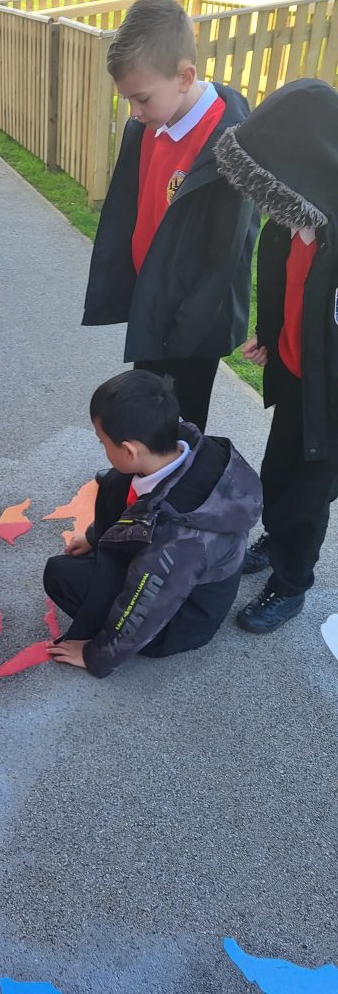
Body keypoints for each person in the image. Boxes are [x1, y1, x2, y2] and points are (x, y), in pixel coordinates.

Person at [82, 0, 259, 433]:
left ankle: (175, 493)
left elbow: (226, 255)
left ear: (185, 77)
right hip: (153, 298)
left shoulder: (231, 146)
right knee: (148, 414)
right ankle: (149, 480)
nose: (134, 112)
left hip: (194, 322)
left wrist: (180, 333)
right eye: (127, 100)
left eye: (141, 98)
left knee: (181, 422)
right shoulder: (146, 126)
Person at [213, 79, 338, 634]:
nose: (265, 198)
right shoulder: (289, 226)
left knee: (308, 497)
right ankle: (276, 535)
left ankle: (291, 583)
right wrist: (269, 332)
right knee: (278, 473)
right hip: (295, 374)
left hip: (330, 398)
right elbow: (284, 288)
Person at [44, 370, 262, 678]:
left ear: (130, 449)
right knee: (115, 482)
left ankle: (108, 638)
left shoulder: (179, 538)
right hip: (172, 571)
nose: (103, 449)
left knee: (61, 574)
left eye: (103, 442)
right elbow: (137, 505)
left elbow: (144, 607)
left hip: (181, 618)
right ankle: (106, 551)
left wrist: (96, 655)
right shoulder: (184, 444)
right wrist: (97, 536)